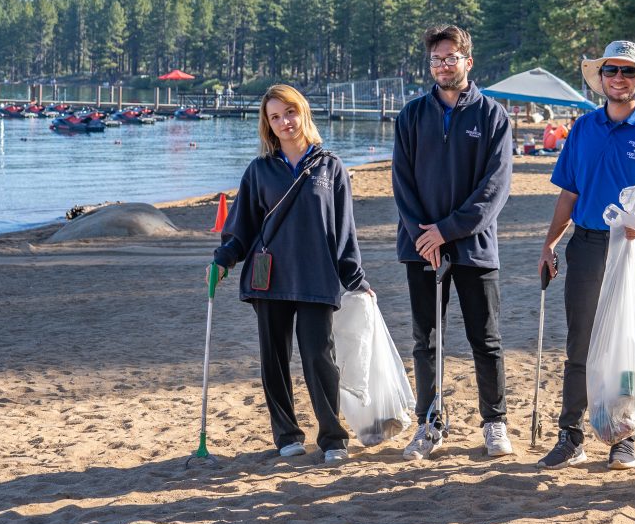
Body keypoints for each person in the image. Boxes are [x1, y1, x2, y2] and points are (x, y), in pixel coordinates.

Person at [537, 40, 635, 471]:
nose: (619, 78)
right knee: (579, 341)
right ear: (601, 78)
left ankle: (624, 436)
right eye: (611, 71)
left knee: (626, 340)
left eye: (628, 71)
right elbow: (569, 193)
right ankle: (571, 435)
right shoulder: (583, 129)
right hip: (587, 245)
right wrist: (549, 243)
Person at [213, 84, 369, 464]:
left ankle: (332, 438)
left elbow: (344, 231)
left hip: (317, 276)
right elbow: (242, 227)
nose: (285, 122)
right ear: (267, 125)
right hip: (270, 277)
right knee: (274, 358)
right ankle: (286, 435)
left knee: (319, 357)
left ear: (303, 112)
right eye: (275, 117)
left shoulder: (331, 166)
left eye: (290, 112)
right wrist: (223, 260)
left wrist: (356, 279)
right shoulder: (259, 170)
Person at [392, 24, 515, 460]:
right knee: (426, 341)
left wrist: (447, 230)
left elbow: (494, 189)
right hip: (421, 248)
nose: (443, 66)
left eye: (451, 58)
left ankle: (494, 423)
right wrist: (425, 235)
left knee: (486, 339)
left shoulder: (493, 116)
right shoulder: (411, 115)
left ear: (468, 61)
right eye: (436, 59)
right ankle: (430, 423)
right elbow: (402, 183)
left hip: (475, 248)